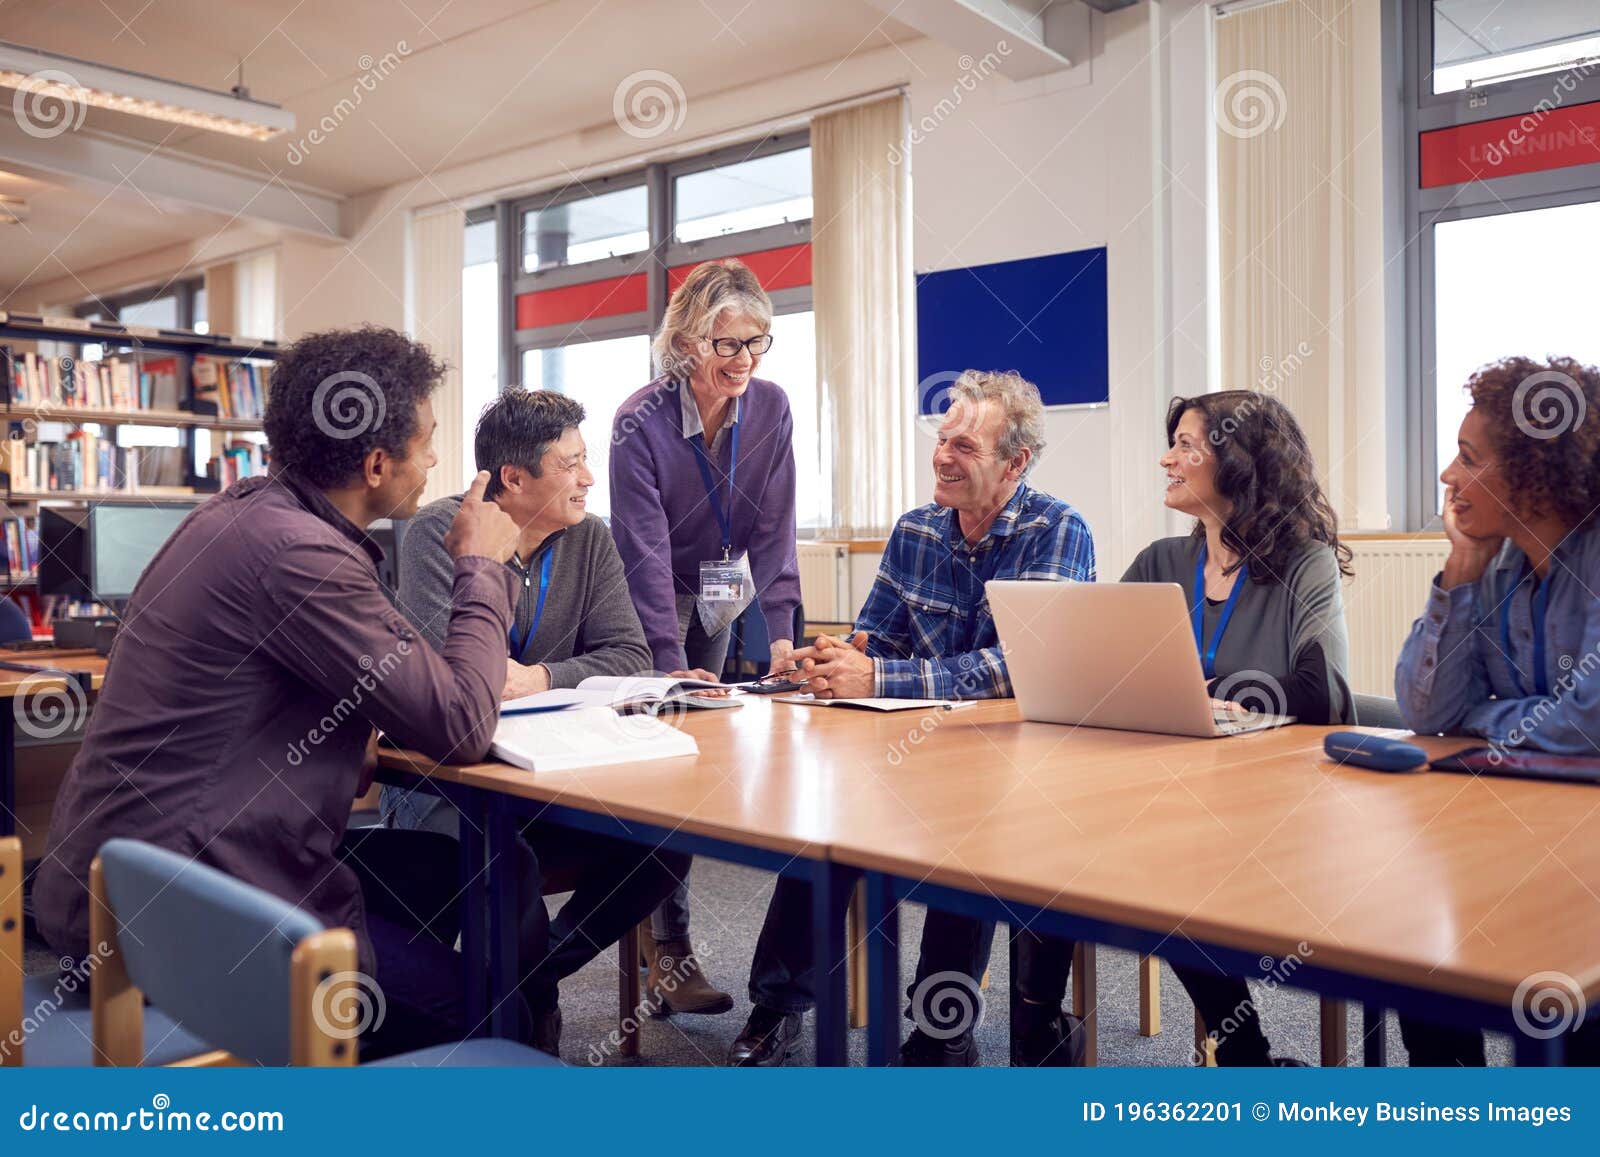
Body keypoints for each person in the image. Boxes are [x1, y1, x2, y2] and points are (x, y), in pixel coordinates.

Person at [33, 326, 523, 1058]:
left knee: (464, 873)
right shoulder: (303, 557)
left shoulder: (242, 515)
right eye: (426, 443)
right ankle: (392, 1051)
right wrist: (481, 565)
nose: (434, 460)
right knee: (494, 1003)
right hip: (177, 915)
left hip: (127, 882)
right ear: (377, 462)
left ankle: (345, 1046)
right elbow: (458, 722)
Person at [727, 369, 1097, 1066]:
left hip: (1011, 763)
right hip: (911, 751)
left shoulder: (1058, 530)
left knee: (974, 837)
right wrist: (845, 655)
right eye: (941, 438)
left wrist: (883, 673)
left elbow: (1017, 666)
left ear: (1015, 463)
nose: (943, 456)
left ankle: (940, 1026)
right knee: (822, 819)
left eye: (965, 445)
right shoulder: (916, 530)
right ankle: (778, 1005)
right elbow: (882, 637)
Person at [1013, 389, 1356, 1067]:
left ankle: (1246, 1052)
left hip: (1266, 804)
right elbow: (1102, 666)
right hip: (1162, 793)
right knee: (1042, 852)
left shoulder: (1303, 564)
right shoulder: (1160, 563)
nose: (1166, 458)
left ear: (1238, 462)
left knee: (1166, 867)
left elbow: (1325, 695)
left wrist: (1210, 693)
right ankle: (1038, 1042)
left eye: (1186, 445)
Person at [382, 388, 707, 1034]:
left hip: (554, 777)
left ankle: (537, 975)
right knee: (508, 862)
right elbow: (446, 684)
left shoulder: (591, 540)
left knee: (668, 841)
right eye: (571, 462)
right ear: (514, 477)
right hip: (449, 782)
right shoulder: (437, 532)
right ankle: (534, 1020)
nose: (589, 477)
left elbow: (628, 655)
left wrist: (540, 676)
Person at [610, 257, 802, 1015]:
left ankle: (675, 941)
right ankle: (669, 947)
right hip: (649, 597)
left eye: (759, 342)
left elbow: (775, 530)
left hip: (723, 592)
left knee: (705, 760)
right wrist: (666, 667)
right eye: (728, 345)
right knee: (666, 763)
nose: (745, 361)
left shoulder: (773, 407)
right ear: (687, 342)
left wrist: (782, 633)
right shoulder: (639, 422)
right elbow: (644, 554)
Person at [1397, 356, 1600, 1066]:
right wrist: (1458, 571)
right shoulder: (1497, 565)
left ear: (1535, 473)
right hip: (1527, 829)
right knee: (1410, 951)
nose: (1448, 477)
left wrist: (1489, 716)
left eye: (1468, 458)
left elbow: (1588, 721)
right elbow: (1428, 710)